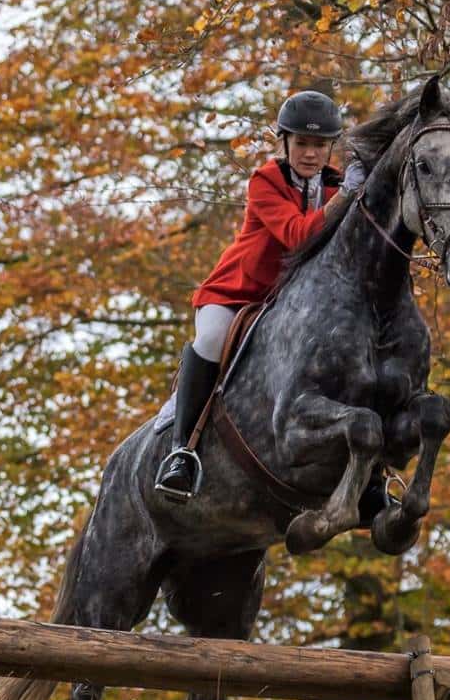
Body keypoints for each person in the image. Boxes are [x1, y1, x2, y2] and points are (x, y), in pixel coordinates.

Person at [154, 89, 362, 499]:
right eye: (302, 142)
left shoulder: (338, 182)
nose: (310, 153)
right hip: (235, 295)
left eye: (320, 145)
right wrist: (350, 197)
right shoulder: (265, 180)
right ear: (285, 142)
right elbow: (298, 235)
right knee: (212, 338)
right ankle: (182, 452)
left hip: (289, 304)